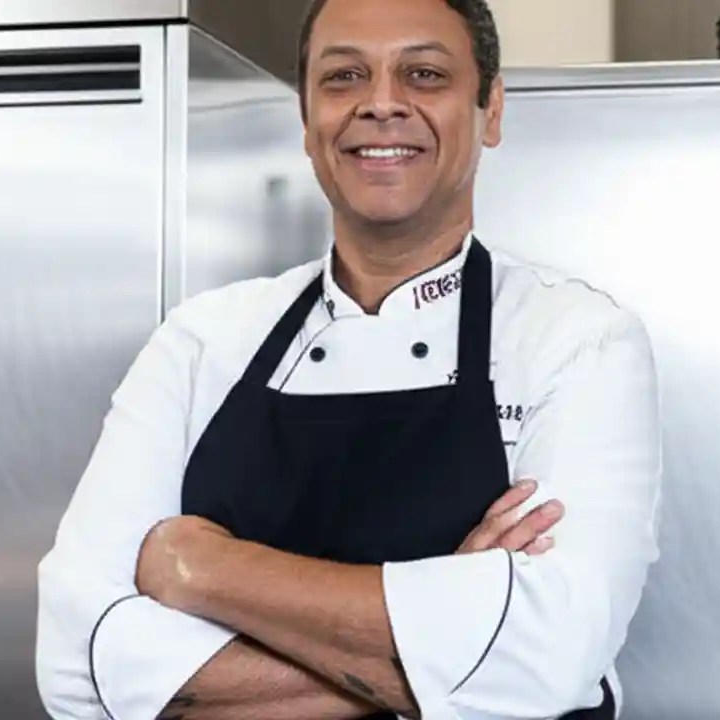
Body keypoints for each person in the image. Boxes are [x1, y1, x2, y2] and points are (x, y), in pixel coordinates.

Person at [34, 0, 662, 717]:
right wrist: (446, 640)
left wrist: (203, 567)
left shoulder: (576, 340)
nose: (382, 103)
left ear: (490, 111)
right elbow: (76, 668)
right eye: (344, 77)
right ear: (307, 122)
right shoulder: (202, 341)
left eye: (424, 74)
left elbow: (551, 657)